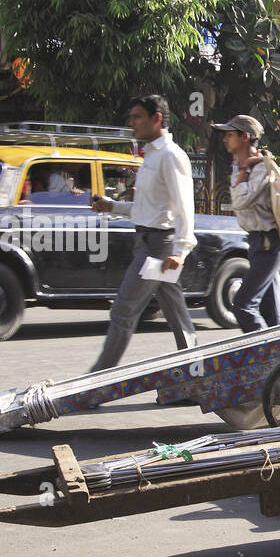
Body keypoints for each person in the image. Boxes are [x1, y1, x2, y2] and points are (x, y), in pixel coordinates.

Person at [89, 93, 199, 371]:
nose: (132, 123)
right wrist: (111, 206)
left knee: (123, 310)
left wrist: (180, 251)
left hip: (158, 248)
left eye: (138, 117)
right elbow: (145, 208)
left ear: (156, 119)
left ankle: (97, 382)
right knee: (177, 315)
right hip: (148, 242)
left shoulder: (171, 156)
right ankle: (197, 373)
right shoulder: (151, 155)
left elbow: (184, 205)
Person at [213, 113, 280, 332]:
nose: (225, 139)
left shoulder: (260, 166)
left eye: (230, 134)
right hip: (256, 243)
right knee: (272, 317)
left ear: (245, 137)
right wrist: (243, 167)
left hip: (269, 243)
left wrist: (245, 169)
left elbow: (242, 200)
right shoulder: (240, 165)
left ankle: (263, 354)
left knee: (243, 305)